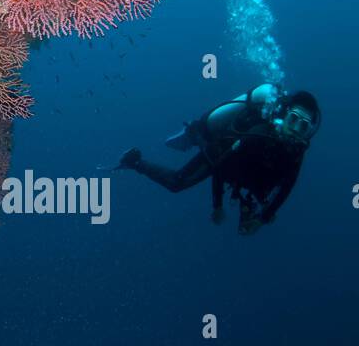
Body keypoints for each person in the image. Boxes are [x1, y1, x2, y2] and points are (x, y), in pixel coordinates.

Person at [117, 83, 319, 235]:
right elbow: (220, 168)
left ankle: (247, 208)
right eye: (293, 119)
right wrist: (218, 205)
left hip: (249, 172)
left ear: (308, 132)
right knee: (176, 183)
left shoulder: (296, 154)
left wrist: (262, 219)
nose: (295, 129)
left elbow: (287, 188)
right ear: (284, 117)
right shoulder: (258, 135)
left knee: (263, 201)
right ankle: (135, 161)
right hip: (221, 153)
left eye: (303, 126)